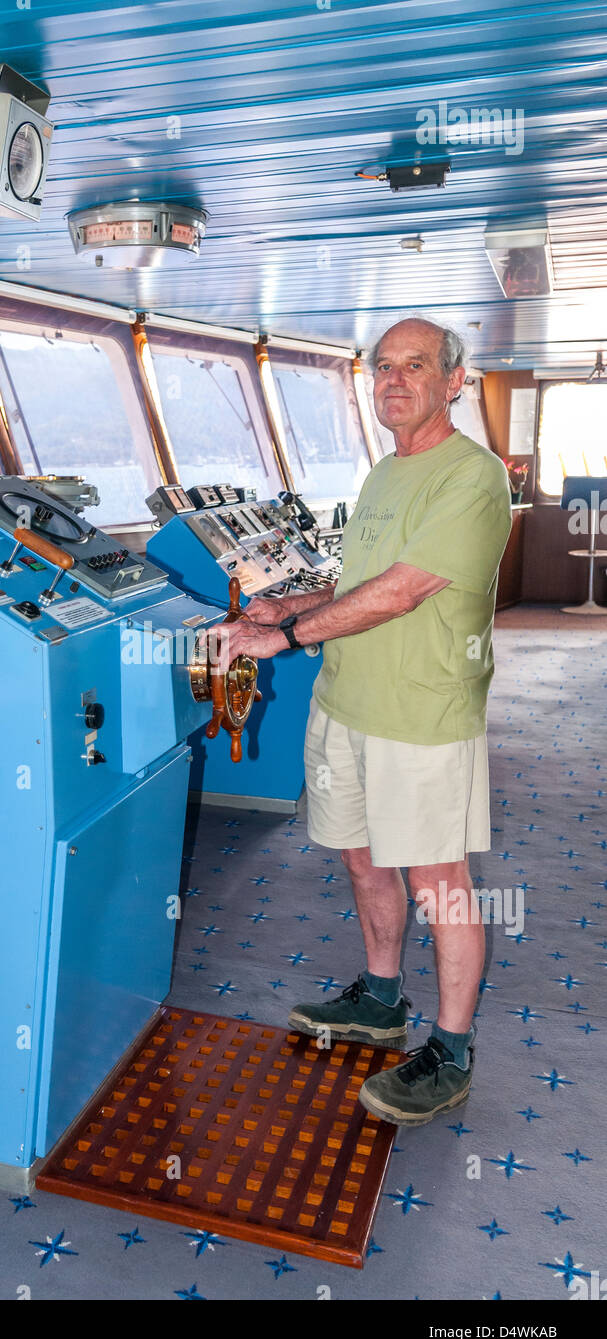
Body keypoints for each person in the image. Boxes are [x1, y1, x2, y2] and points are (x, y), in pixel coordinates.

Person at [208, 317, 512, 1125]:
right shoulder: (384, 473)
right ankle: (380, 999)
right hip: (346, 703)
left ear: (454, 380)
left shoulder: (471, 478)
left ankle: (450, 1049)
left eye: (415, 366)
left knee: (439, 884)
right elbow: (358, 582)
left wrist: (283, 636)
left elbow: (405, 590)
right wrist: (294, 602)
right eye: (382, 367)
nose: (393, 380)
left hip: (421, 716)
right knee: (362, 858)